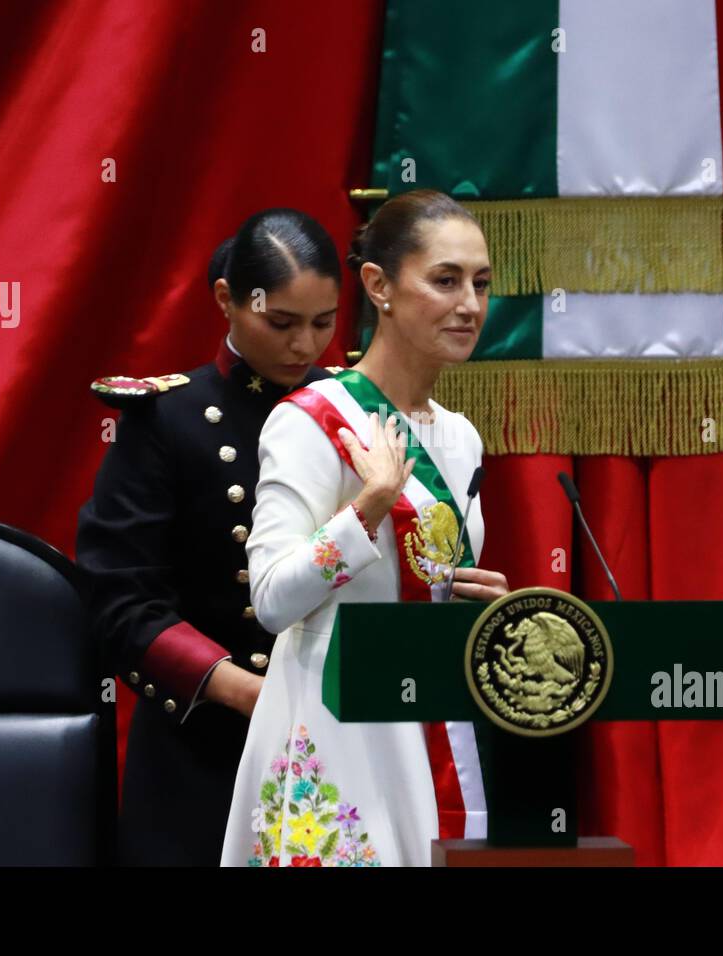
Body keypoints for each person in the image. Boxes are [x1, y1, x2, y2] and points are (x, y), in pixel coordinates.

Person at [220, 190, 511, 867]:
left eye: (481, 282)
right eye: (445, 280)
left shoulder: (461, 438)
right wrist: (369, 506)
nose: (469, 303)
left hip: (433, 725)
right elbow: (271, 600)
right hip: (336, 724)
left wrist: (476, 610)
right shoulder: (310, 420)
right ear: (378, 286)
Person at [75, 208, 343, 865]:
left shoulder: (352, 413)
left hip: (336, 737)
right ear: (226, 298)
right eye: (280, 322)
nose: (303, 347)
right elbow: (119, 605)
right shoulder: (169, 419)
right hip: (202, 748)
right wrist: (244, 690)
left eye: (323, 323)